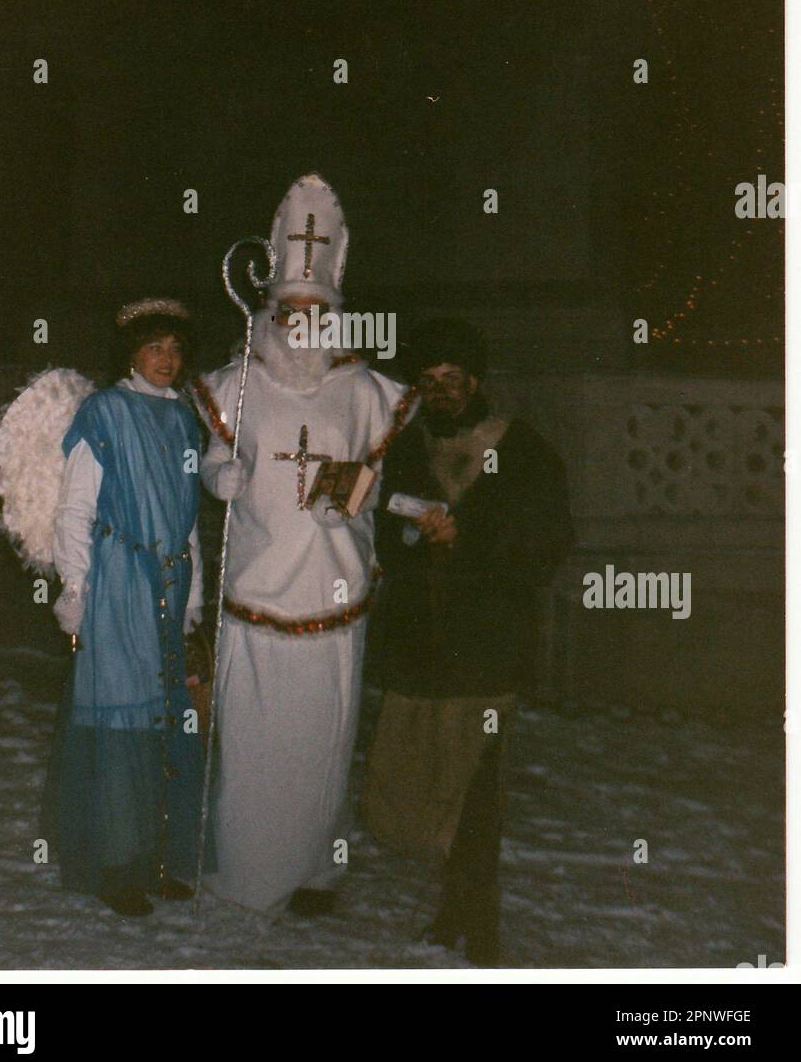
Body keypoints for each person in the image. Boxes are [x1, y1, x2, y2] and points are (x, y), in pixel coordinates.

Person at [191, 173, 416, 914]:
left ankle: (314, 868)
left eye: (317, 311)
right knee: (255, 748)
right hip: (254, 591)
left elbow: (375, 482)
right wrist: (216, 468)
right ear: (271, 309)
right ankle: (251, 870)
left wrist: (353, 500)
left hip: (332, 592)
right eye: (290, 309)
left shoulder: (366, 392)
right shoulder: (232, 388)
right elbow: (208, 464)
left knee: (321, 742)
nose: (303, 324)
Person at [362, 318, 572, 965]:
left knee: (478, 786)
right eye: (426, 381)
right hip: (423, 651)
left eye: (450, 378)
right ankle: (452, 909)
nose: (439, 390)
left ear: (474, 380)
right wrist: (410, 537)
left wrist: (469, 540)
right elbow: (382, 532)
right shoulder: (404, 449)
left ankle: (478, 920)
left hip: (487, 648)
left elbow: (546, 538)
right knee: (432, 782)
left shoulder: (522, 449)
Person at [41, 298, 209, 917]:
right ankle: (119, 865)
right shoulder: (105, 411)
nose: (167, 360)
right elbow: (76, 510)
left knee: (167, 721)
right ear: (132, 354)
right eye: (154, 348)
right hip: (117, 582)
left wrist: (191, 596)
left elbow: (188, 518)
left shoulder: (186, 419)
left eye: (175, 349)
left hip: (170, 583)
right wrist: (76, 590)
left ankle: (163, 859)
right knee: (121, 723)